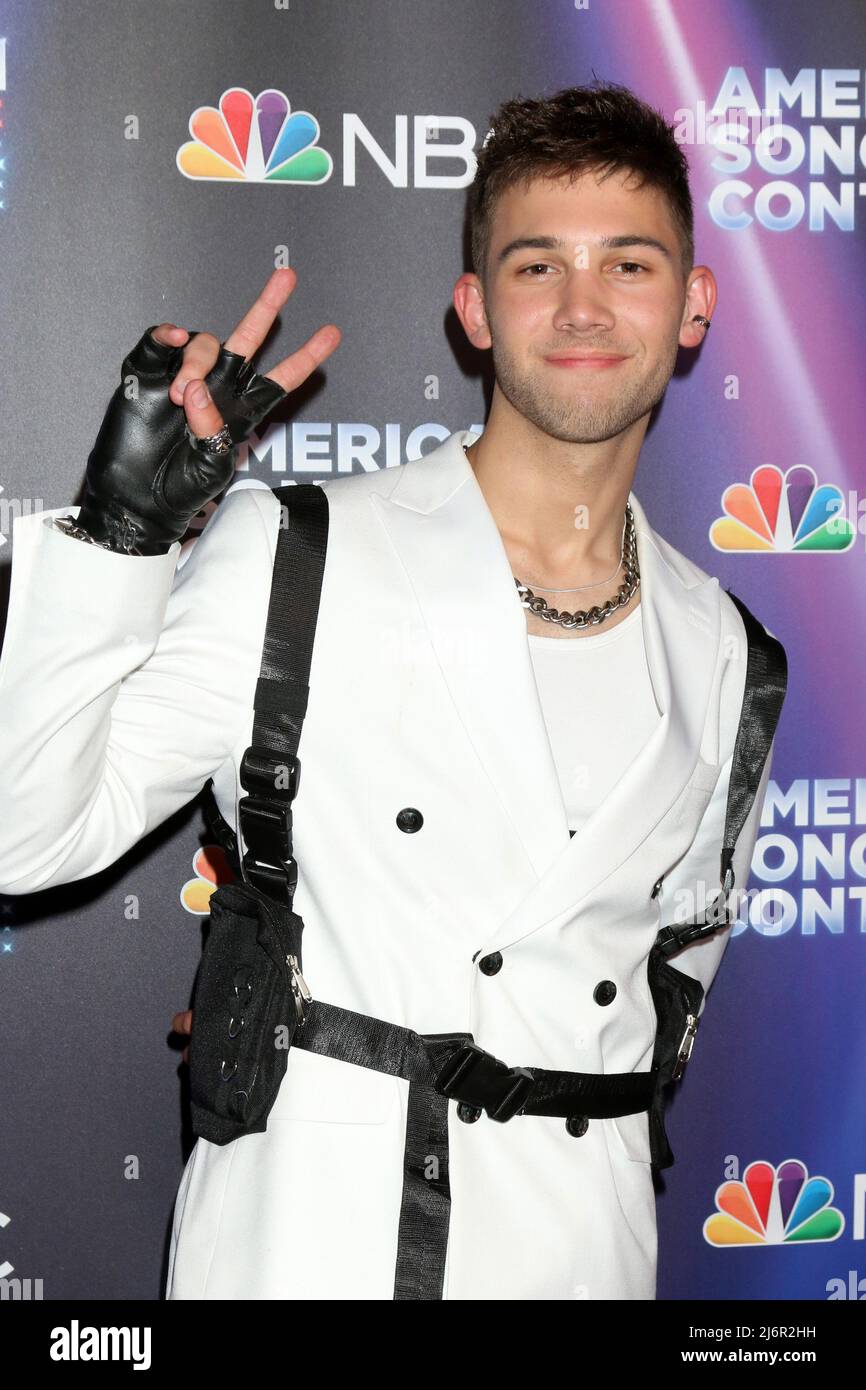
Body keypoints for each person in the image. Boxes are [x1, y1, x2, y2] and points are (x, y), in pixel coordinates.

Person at [0, 81, 783, 1300]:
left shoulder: (729, 652)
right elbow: (24, 839)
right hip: (318, 1248)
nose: (582, 306)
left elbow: (654, 995)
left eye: (628, 265)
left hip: (583, 1257)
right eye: (536, 267)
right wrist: (118, 540)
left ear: (692, 308)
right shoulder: (297, 555)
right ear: (473, 311)